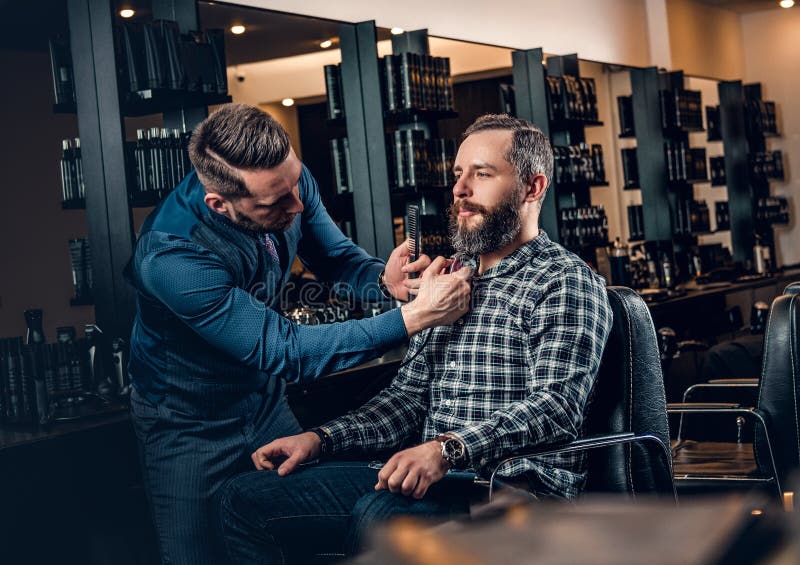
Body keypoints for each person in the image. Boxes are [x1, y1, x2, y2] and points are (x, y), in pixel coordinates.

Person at [218, 114, 614, 564]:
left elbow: (557, 408)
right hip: (439, 480)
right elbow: (407, 399)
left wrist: (447, 450)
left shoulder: (563, 280)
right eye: (458, 174)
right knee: (246, 497)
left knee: (382, 515)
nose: (460, 189)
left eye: (482, 174)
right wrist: (321, 439)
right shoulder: (447, 283)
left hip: (514, 489)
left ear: (532, 187)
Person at [125, 104, 473, 565]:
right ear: (219, 204)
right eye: (275, 203)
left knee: (292, 539)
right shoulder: (171, 256)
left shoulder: (285, 181)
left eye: (295, 184)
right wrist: (414, 317)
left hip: (265, 403)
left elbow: (334, 257)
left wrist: (381, 280)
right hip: (189, 422)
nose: (298, 204)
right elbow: (287, 351)